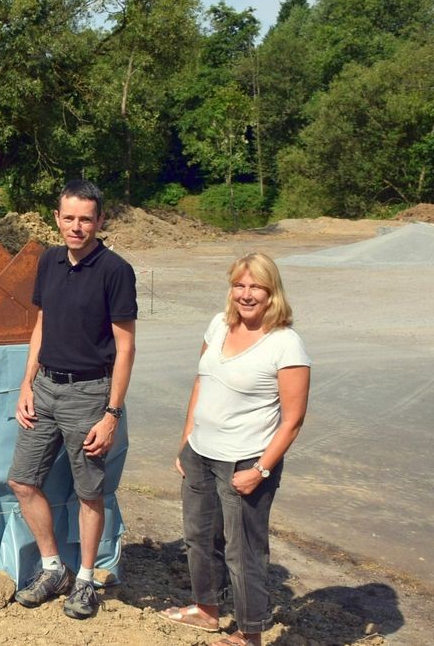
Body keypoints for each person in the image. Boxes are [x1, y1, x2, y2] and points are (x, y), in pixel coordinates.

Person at [161, 252, 311, 646]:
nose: (246, 294)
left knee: (243, 553)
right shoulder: (217, 325)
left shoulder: (285, 344)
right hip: (200, 454)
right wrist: (186, 441)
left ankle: (250, 633)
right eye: (239, 285)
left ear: (271, 292)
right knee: (199, 537)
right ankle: (206, 610)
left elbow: (292, 419)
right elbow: (201, 382)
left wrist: (260, 469)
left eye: (255, 287)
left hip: (246, 461)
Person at [8, 179, 137, 619]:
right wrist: (27, 384)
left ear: (100, 221)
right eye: (69, 218)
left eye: (86, 219)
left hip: (89, 394)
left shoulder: (115, 270)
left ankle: (84, 580)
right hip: (45, 388)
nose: (76, 227)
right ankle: (52, 568)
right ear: (57, 219)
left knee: (89, 494)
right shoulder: (48, 261)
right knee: (23, 481)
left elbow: (125, 347)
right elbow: (41, 324)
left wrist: (112, 413)